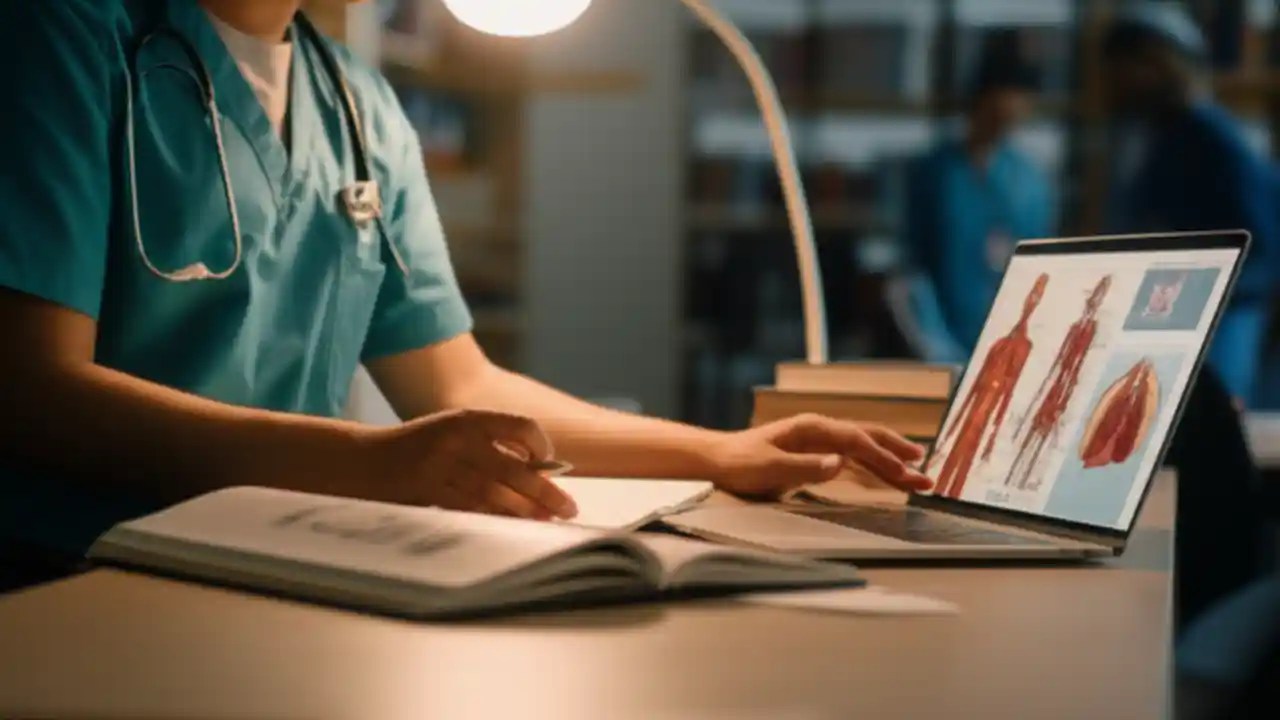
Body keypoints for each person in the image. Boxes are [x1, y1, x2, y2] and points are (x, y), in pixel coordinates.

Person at [0, 0, 932, 579]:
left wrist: (721, 453)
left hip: (278, 569)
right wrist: (369, 465)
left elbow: (457, 390)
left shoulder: (358, 103)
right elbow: (29, 389)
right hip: (72, 573)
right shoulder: (64, 35)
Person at [1103, 2, 1279, 405]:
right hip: (1170, 317)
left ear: (1159, 63)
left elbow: (1263, 250)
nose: (1117, 83)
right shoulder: (1153, 139)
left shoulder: (1215, 139)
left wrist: (1202, 288)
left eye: (1127, 68)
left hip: (1222, 322)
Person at [902, 38, 1053, 364]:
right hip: (940, 340)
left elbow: (1038, 267)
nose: (1019, 105)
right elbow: (914, 268)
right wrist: (933, 344)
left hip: (1009, 339)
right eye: (1012, 91)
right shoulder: (936, 173)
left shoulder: (1030, 181)